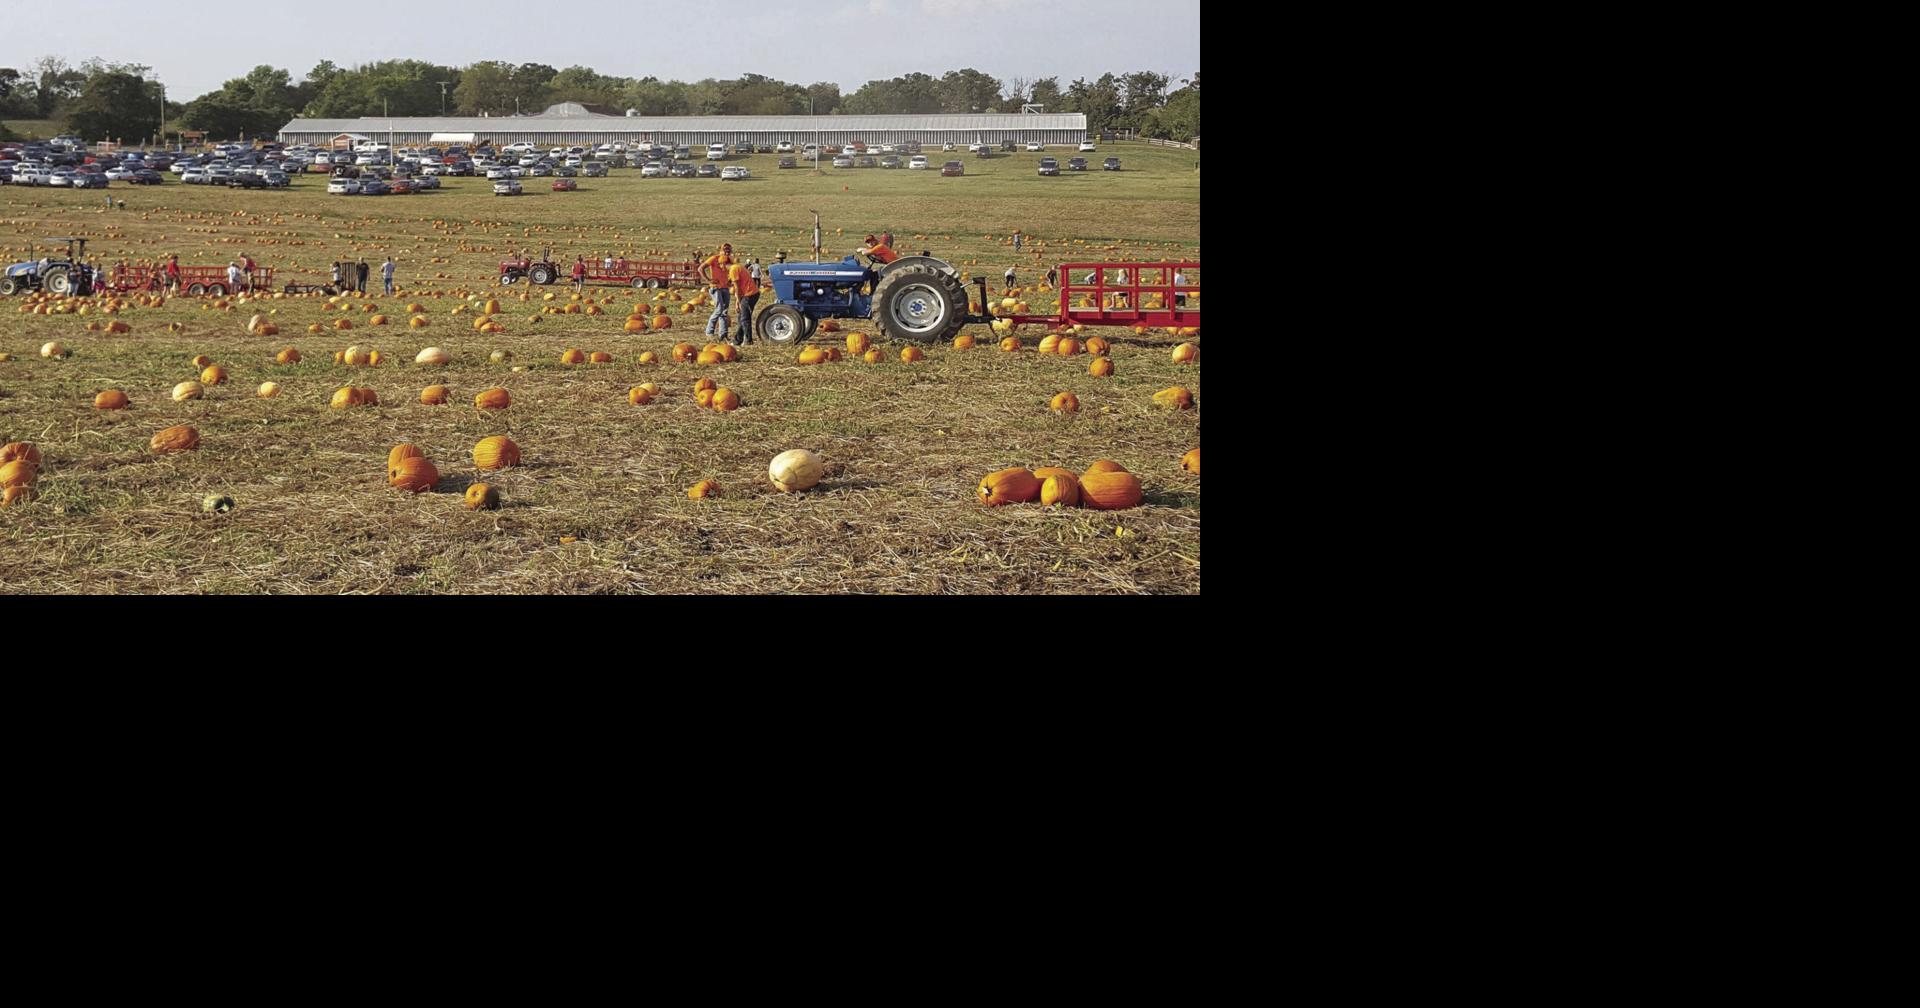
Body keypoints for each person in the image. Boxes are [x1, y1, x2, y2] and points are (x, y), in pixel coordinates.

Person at [700, 244, 734, 338]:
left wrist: (730, 280)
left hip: (725, 288)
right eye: (725, 250)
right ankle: (709, 332)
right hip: (716, 288)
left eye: (729, 251)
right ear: (721, 250)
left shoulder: (729, 261)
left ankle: (723, 335)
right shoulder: (714, 258)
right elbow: (701, 268)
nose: (727, 252)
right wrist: (708, 280)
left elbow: (733, 271)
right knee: (719, 310)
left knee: (724, 312)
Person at [729, 256, 760, 346]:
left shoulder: (733, 270)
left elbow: (737, 288)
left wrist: (738, 301)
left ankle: (748, 340)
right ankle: (737, 340)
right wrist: (737, 303)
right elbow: (739, 287)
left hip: (749, 294)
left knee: (744, 318)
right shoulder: (737, 267)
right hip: (750, 293)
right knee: (741, 318)